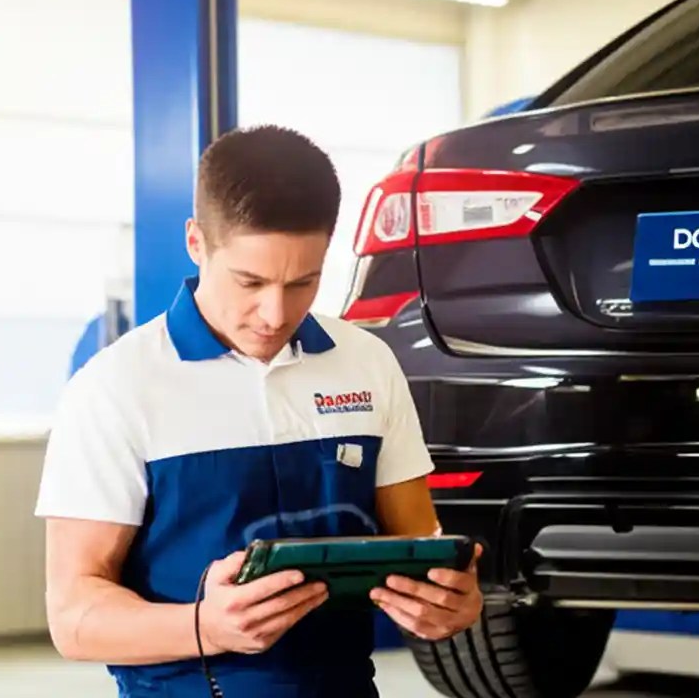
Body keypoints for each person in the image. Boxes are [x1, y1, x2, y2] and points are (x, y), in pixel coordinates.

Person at [33, 125, 484, 697]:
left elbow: (420, 546)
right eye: (249, 281)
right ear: (197, 243)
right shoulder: (115, 387)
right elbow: (72, 617)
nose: (274, 313)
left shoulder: (368, 363)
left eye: (304, 282)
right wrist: (206, 626)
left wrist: (449, 599)